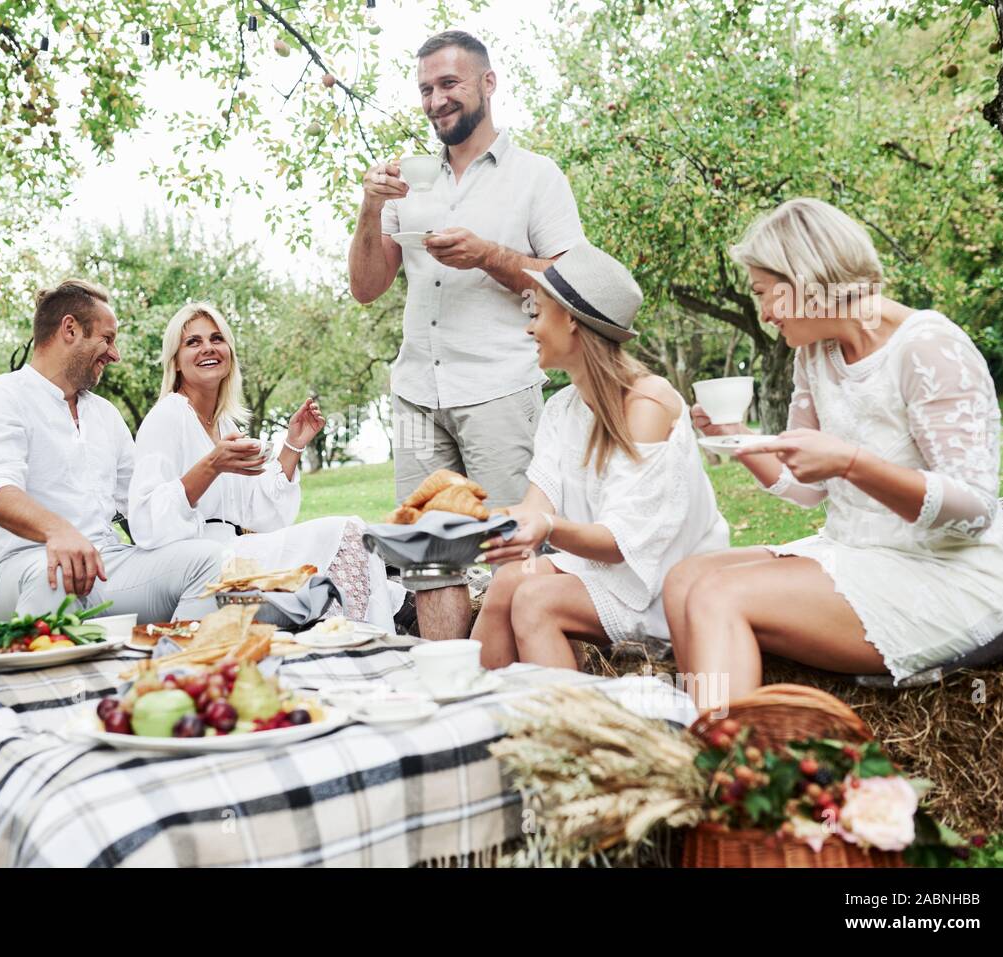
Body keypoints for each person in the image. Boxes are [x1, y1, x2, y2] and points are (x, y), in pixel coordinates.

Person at [663, 198, 1003, 713]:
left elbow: (975, 511)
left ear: (806, 276)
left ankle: (728, 768)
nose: (762, 313)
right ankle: (709, 724)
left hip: (943, 574)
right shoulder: (816, 352)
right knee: (684, 579)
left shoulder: (928, 347)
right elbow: (807, 487)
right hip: (854, 550)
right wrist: (736, 435)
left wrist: (851, 462)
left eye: (765, 293)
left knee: (718, 596)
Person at [348, 29, 585, 639]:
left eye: (448, 84)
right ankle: (445, 683)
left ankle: (538, 700)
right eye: (425, 89)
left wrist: (489, 256)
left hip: (499, 388)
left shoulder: (536, 177)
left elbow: (573, 281)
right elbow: (368, 286)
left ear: (487, 83)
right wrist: (370, 208)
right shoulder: (410, 181)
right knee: (428, 559)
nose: (435, 100)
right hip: (415, 393)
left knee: (518, 549)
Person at [470, 242, 729, 670]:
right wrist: (482, 525)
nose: (529, 329)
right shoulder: (562, 408)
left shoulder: (648, 404)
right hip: (604, 575)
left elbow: (617, 545)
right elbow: (538, 505)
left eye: (536, 314)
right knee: (508, 581)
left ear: (571, 320)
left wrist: (546, 527)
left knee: (535, 598)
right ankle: (475, 712)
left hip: (665, 584)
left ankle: (570, 731)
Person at [0, 279, 224, 628]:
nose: (114, 354)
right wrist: (58, 532)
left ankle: (171, 670)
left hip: (105, 565)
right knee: (54, 576)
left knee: (211, 560)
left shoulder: (105, 414)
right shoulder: (1, 397)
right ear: (70, 329)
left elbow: (137, 507)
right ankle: (45, 676)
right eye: (108, 339)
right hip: (19, 569)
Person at [127, 302, 402, 631]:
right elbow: (146, 520)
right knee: (346, 532)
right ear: (175, 360)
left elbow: (263, 514)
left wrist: (293, 444)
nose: (208, 348)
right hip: (196, 561)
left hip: (237, 548)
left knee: (352, 535)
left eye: (217, 338)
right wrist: (212, 465)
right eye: (193, 342)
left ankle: (363, 629)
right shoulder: (168, 415)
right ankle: (362, 631)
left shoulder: (225, 424)